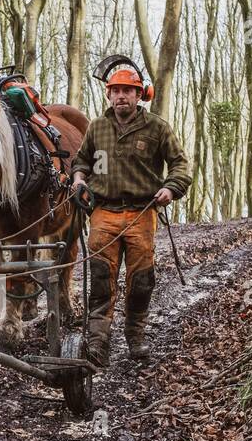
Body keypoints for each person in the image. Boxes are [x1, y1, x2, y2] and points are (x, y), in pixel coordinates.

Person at [70, 64, 192, 365]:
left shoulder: (157, 127)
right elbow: (81, 161)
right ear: (109, 95)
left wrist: (171, 188)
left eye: (128, 91)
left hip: (142, 213)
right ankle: (98, 343)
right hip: (104, 212)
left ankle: (135, 338)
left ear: (140, 95)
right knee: (100, 278)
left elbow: (180, 164)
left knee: (140, 281)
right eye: (116, 91)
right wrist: (79, 179)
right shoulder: (97, 127)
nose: (121, 96)